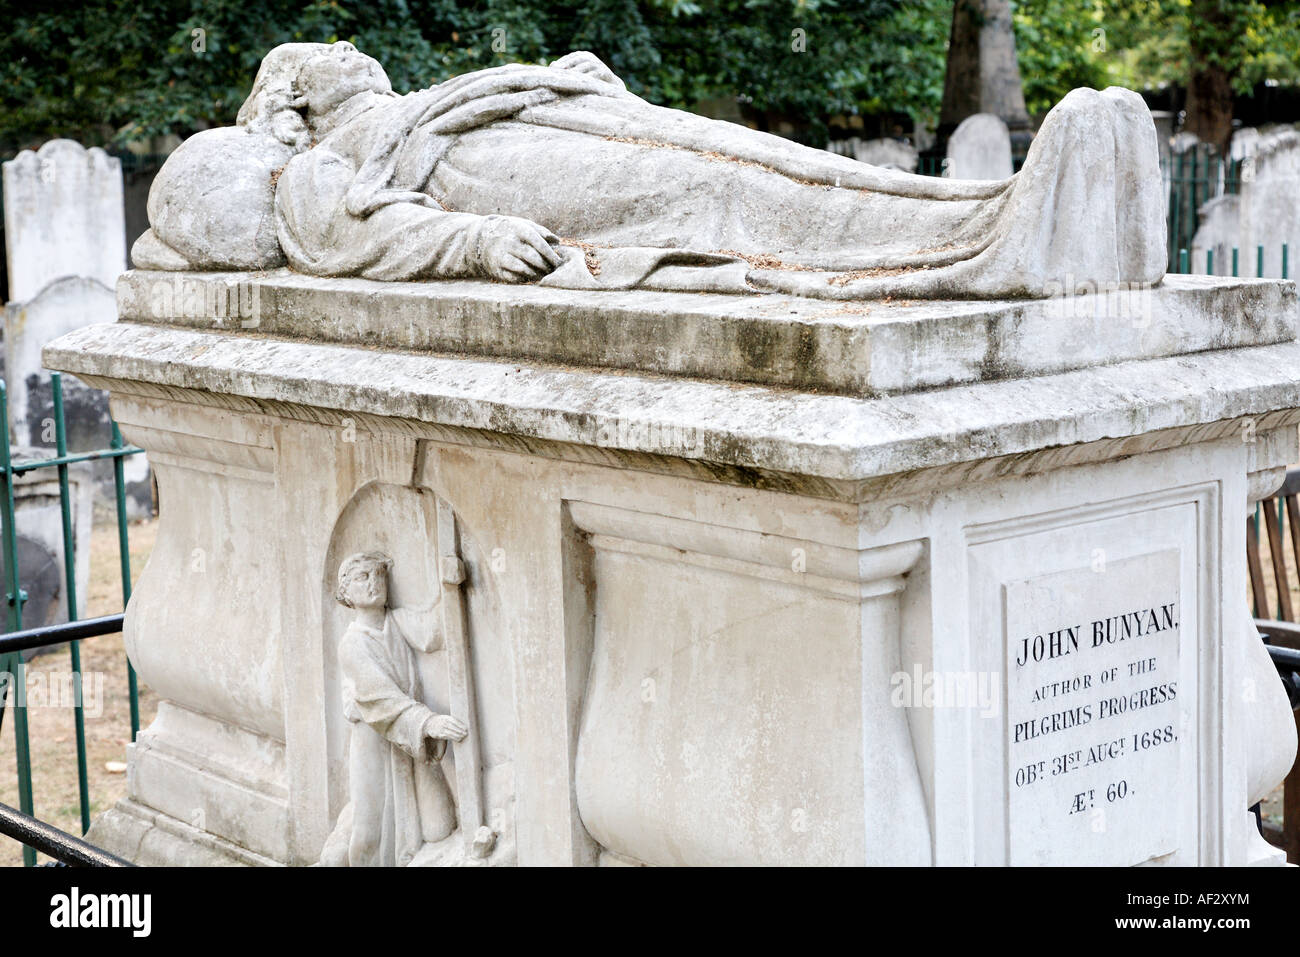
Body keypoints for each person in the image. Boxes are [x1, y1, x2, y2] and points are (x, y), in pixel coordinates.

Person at [147, 40, 1167, 300]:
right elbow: (357, 236)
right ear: (292, 102)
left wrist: (569, 80)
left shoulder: (419, 94)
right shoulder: (317, 162)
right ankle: (979, 249)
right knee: (725, 198)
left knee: (748, 154)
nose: (349, 53)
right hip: (492, 177)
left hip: (555, 121)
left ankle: (993, 206)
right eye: (321, 59)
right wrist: (479, 238)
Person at [319, 551, 468, 867]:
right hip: (374, 739)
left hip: (411, 740)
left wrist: (451, 586)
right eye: (363, 577)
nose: (374, 583)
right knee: (370, 829)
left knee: (438, 825)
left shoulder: (397, 621)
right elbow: (381, 699)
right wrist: (428, 723)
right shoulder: (353, 644)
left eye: (379, 575)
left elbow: (432, 633)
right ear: (346, 592)